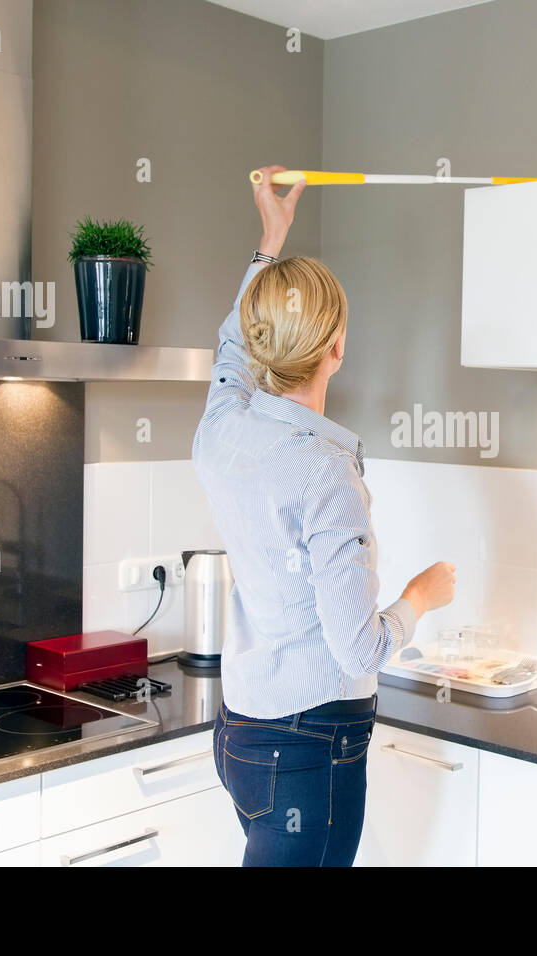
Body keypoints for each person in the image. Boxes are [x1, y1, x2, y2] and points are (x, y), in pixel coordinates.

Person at [192, 165, 456, 866]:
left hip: (241, 734)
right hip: (309, 744)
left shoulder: (221, 427)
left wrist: (268, 241)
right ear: (336, 350)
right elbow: (359, 651)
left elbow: (229, 345)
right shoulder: (325, 473)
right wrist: (419, 598)